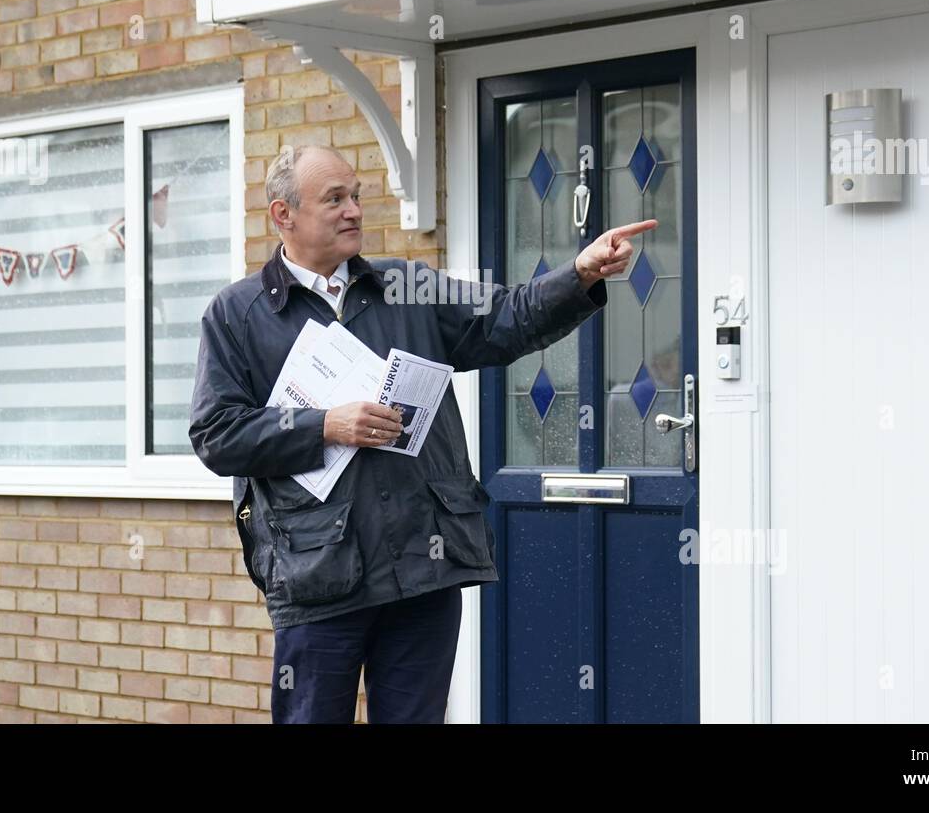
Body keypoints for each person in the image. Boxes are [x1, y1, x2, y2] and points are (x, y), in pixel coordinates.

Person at [189, 144, 656, 723]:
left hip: (422, 569)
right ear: (283, 215)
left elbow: (504, 319)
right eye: (334, 199)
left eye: (356, 196)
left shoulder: (406, 286)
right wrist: (325, 425)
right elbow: (216, 433)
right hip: (318, 576)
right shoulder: (238, 314)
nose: (354, 210)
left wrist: (579, 273)